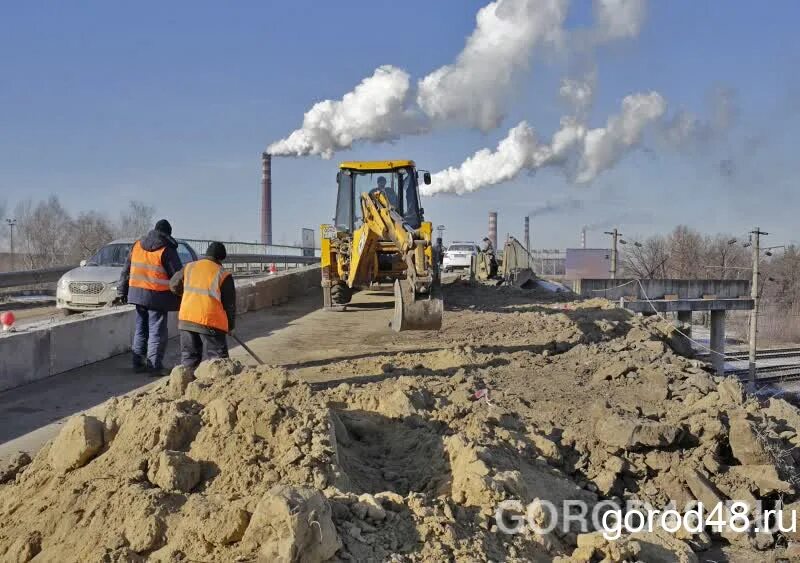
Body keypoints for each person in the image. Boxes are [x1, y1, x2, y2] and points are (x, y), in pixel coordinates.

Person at [118, 219, 183, 376]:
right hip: (157, 296)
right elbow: (178, 276)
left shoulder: (137, 245)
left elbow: (126, 270)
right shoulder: (166, 249)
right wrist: (182, 296)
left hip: (137, 295)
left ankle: (138, 364)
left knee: (141, 329)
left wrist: (122, 291)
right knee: (157, 332)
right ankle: (154, 366)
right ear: (168, 233)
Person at [169, 242, 236, 375]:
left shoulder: (189, 267)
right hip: (210, 322)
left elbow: (173, 285)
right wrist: (230, 326)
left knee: (189, 361)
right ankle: (219, 390)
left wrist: (187, 295)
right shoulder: (223, 274)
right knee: (219, 363)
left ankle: (185, 386)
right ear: (221, 258)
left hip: (186, 319)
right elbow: (229, 305)